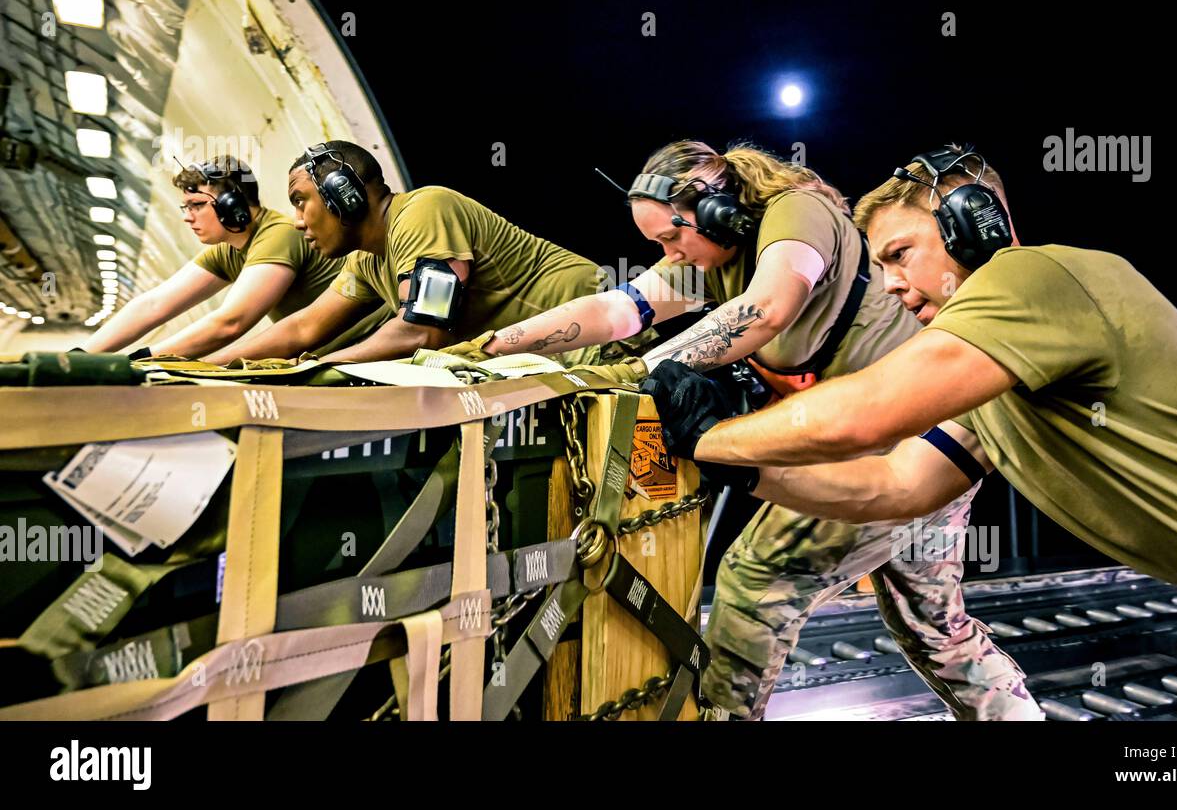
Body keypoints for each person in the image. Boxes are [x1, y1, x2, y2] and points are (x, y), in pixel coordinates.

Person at [645, 143, 1177, 720]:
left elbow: (863, 415)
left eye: (902, 254)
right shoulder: (992, 382)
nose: (894, 285)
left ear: (974, 226)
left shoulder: (1035, 276)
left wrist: (711, 432)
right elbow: (895, 484)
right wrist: (735, 460)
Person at [448, 139, 1040, 720]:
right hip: (918, 432)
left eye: (672, 236)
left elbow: (768, 308)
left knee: (756, 582)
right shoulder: (712, 256)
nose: (670, 255)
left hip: (909, 437)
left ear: (715, 208)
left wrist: (638, 370)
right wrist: (498, 348)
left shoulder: (795, 212)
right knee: (938, 629)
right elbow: (618, 309)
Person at [207, 141, 613, 366]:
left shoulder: (426, 210)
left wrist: (319, 368)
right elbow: (302, 329)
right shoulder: (366, 259)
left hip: (599, 345)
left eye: (301, 201)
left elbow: (424, 327)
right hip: (558, 361)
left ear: (343, 196)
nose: (297, 221)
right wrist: (206, 368)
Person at [85, 156, 349, 360]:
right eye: (185, 207)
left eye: (197, 205)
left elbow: (230, 322)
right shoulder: (230, 249)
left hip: (362, 359)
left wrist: (142, 360)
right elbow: (154, 304)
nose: (187, 217)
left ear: (232, 205)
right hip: (330, 357)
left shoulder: (278, 234)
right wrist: (81, 355)